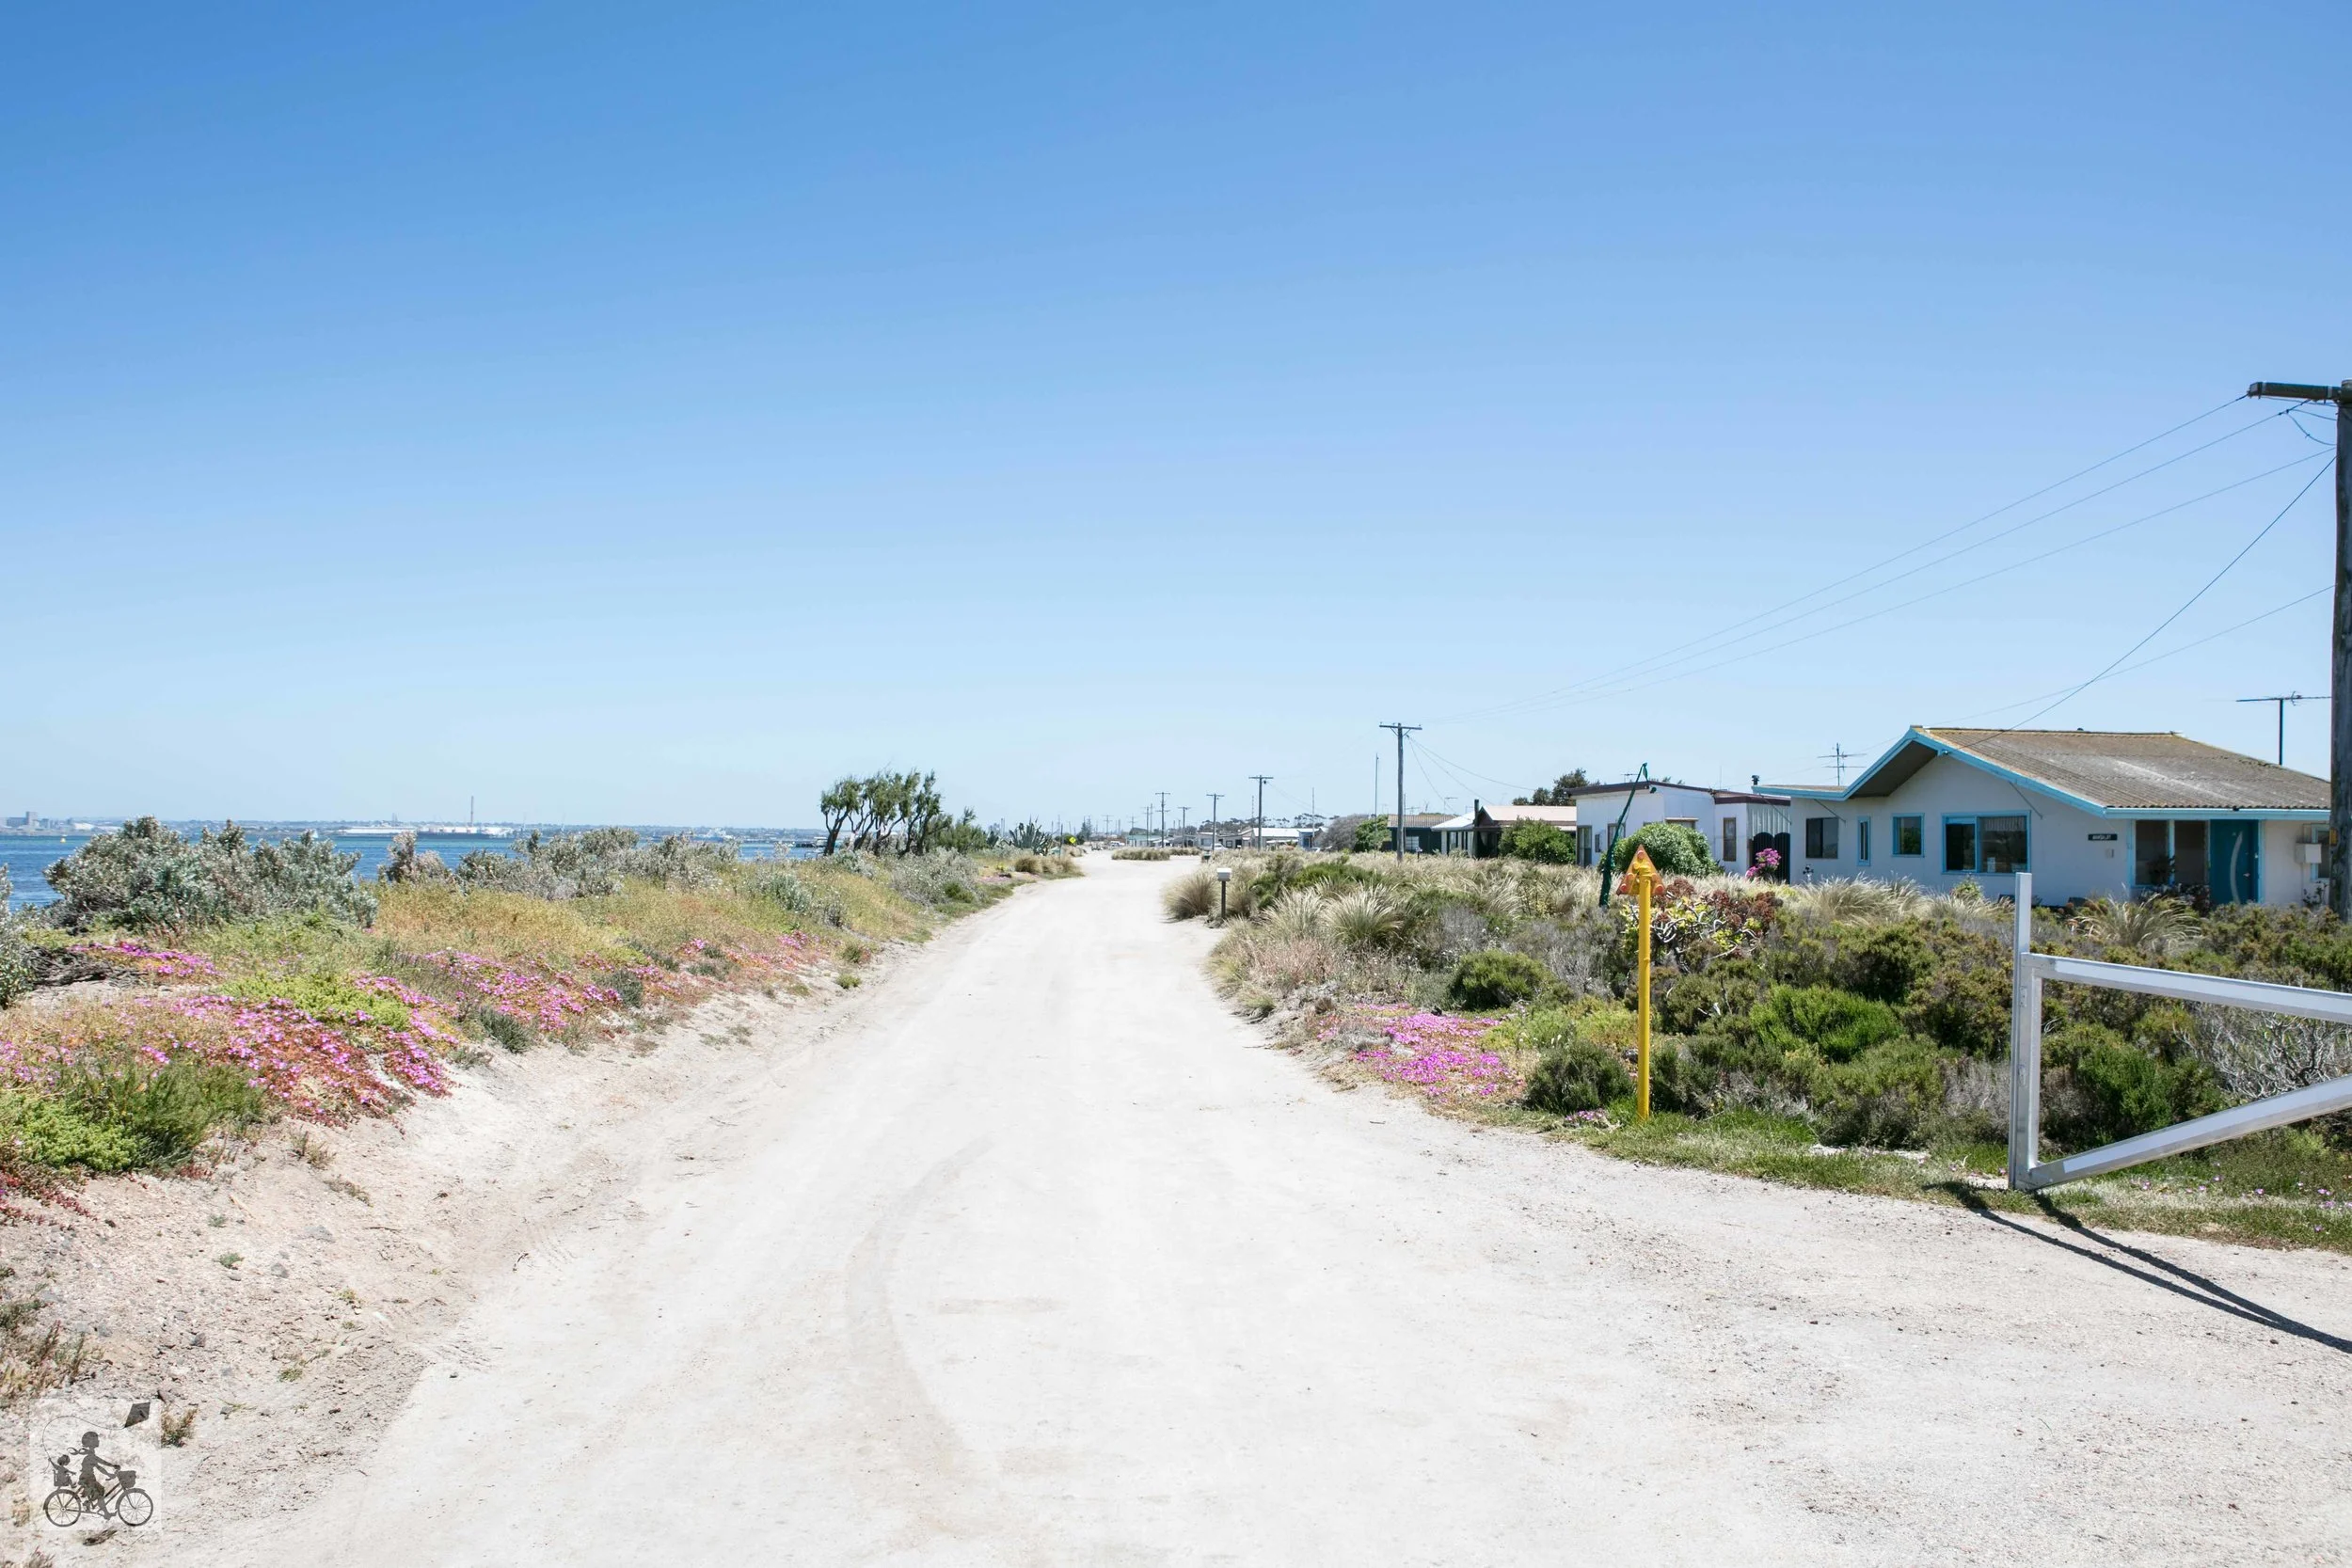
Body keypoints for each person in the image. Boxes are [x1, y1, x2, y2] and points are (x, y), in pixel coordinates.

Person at [70, 1432, 119, 1503]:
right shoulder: (91, 1456)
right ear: (91, 1442)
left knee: (100, 1491)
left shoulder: (91, 1454)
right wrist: (110, 1471)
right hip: (87, 1478)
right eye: (96, 1439)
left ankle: (102, 1510)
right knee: (98, 1493)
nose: (98, 1441)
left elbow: (100, 1464)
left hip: (90, 1477)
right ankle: (87, 1504)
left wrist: (112, 1467)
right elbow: (100, 1464)